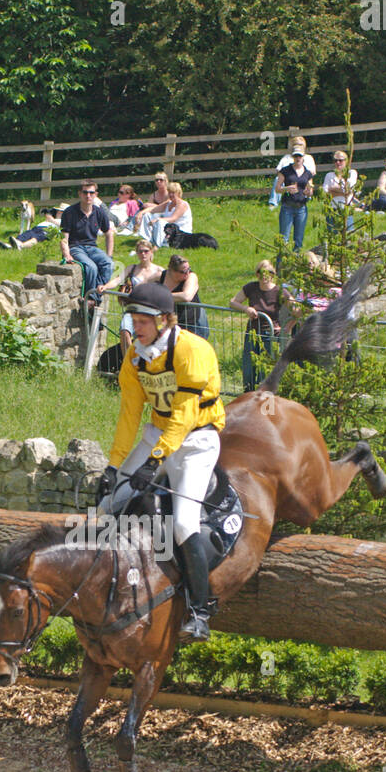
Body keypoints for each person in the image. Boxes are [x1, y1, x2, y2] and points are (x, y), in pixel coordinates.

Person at [94, 281, 225, 642]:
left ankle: (201, 610)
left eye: (144, 320)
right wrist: (113, 465)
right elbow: (129, 414)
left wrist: (155, 461)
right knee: (108, 505)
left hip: (197, 440)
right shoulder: (135, 356)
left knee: (184, 524)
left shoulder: (192, 350)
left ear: (166, 320)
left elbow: (184, 415)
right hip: (158, 435)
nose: (137, 325)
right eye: (134, 317)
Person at [230, 260, 293, 391]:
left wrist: (288, 327)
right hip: (252, 333)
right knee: (249, 368)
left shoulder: (280, 291)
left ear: (273, 274)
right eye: (261, 273)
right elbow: (233, 302)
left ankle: (265, 401)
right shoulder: (251, 287)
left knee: (266, 371)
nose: (265, 276)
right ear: (257, 274)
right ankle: (248, 396)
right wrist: (246, 308)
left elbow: (297, 310)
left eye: (269, 273)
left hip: (270, 335)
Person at [101, 238, 163, 360]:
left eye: (145, 251)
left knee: (151, 339)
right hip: (133, 309)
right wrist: (105, 287)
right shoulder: (132, 268)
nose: (143, 254)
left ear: (151, 252)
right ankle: (129, 362)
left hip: (152, 310)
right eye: (140, 251)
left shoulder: (159, 271)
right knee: (124, 330)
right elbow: (118, 279)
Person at [59, 179, 114, 306]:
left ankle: (94, 298)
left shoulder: (99, 212)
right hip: (75, 247)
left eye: (91, 193)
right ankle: (91, 299)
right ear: (80, 194)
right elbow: (64, 237)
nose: (88, 196)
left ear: (96, 194)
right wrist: (67, 255)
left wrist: (109, 254)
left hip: (92, 247)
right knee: (91, 267)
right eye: (85, 192)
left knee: (109, 264)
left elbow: (109, 233)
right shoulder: (70, 212)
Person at [157, 253, 210, 339]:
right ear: (172, 271)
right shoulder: (161, 276)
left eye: (189, 269)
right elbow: (143, 284)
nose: (187, 273)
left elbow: (186, 296)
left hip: (192, 325)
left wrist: (159, 297)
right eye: (184, 272)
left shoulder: (191, 277)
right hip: (170, 324)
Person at [275, 148, 313, 248]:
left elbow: (311, 190)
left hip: (302, 208)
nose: (298, 158)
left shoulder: (307, 173)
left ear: (303, 157)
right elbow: (277, 189)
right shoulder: (285, 170)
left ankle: (296, 262)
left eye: (299, 156)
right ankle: (281, 262)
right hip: (287, 207)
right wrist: (287, 188)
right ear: (293, 157)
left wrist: (308, 192)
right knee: (283, 239)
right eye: (296, 156)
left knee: (299, 240)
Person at [138, 181, 193, 248]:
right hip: (168, 229)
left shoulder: (182, 204)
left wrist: (158, 219)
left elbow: (173, 218)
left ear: (178, 193)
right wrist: (141, 213)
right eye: (169, 192)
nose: (171, 195)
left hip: (180, 232)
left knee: (160, 222)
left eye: (173, 193)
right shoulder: (168, 203)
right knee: (147, 215)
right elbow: (154, 209)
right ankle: (147, 240)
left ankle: (159, 245)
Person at [269, 136, 316, 208]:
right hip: (288, 180)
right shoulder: (286, 157)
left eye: (300, 145)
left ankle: (305, 197)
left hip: (303, 181)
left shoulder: (309, 158)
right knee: (277, 180)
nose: (298, 146)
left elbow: (312, 172)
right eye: (296, 144)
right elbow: (279, 170)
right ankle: (273, 202)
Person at [322, 151, 358, 231]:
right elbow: (325, 193)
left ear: (346, 161)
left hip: (346, 208)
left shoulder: (352, 173)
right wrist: (342, 191)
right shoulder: (329, 175)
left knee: (348, 234)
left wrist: (332, 189)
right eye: (335, 160)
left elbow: (349, 189)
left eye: (340, 160)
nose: (338, 163)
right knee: (332, 235)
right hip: (332, 209)